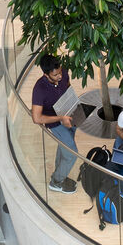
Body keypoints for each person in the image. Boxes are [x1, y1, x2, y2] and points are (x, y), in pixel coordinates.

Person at [31, 52, 78, 194]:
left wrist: (73, 106)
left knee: (64, 148)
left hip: (69, 115)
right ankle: (56, 182)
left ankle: (59, 173)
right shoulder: (39, 89)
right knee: (72, 153)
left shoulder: (63, 72)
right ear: (46, 74)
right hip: (55, 122)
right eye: (55, 75)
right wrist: (61, 119)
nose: (60, 76)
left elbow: (68, 85)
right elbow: (37, 118)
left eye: (60, 72)